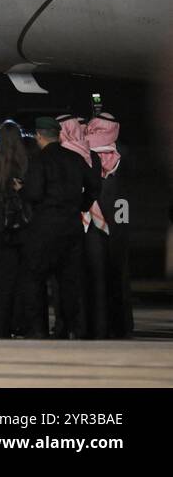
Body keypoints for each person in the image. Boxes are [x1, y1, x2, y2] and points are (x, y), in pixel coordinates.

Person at [18, 116, 99, 339]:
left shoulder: (39, 160)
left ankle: (39, 329)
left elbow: (34, 193)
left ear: (39, 136)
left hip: (45, 227)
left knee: (36, 278)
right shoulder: (75, 159)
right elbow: (94, 187)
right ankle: (72, 328)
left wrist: (21, 190)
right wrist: (81, 205)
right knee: (69, 281)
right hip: (72, 227)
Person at [87, 112, 133, 338]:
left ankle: (99, 324)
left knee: (96, 275)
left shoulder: (86, 151)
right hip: (120, 222)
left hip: (95, 222)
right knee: (119, 274)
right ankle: (122, 325)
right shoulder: (123, 152)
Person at [59, 113, 104, 338]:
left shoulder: (64, 155)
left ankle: (69, 327)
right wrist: (84, 205)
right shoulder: (91, 155)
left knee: (69, 277)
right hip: (87, 221)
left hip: (68, 222)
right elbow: (95, 187)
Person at [0, 121, 31, 337]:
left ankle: (1, 324)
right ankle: (19, 323)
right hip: (21, 229)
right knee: (22, 280)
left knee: (3, 279)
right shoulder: (25, 165)